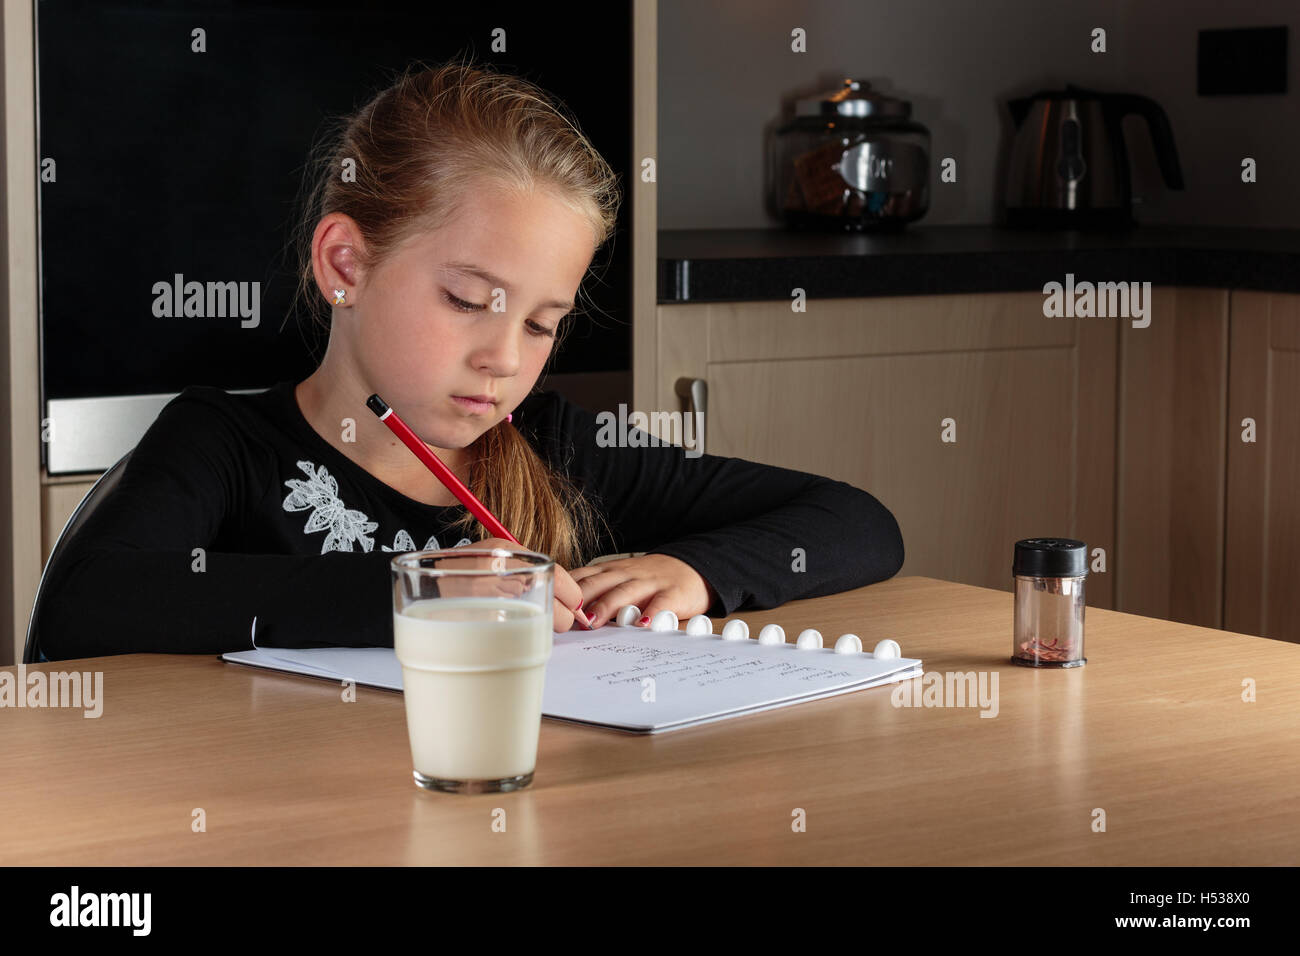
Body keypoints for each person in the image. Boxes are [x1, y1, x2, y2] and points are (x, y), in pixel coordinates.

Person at [37, 56, 904, 661]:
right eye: (467, 302)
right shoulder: (222, 445)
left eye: (541, 325)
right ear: (347, 263)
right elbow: (82, 605)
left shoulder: (562, 453)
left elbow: (860, 521)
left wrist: (696, 570)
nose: (503, 360)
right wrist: (417, 592)